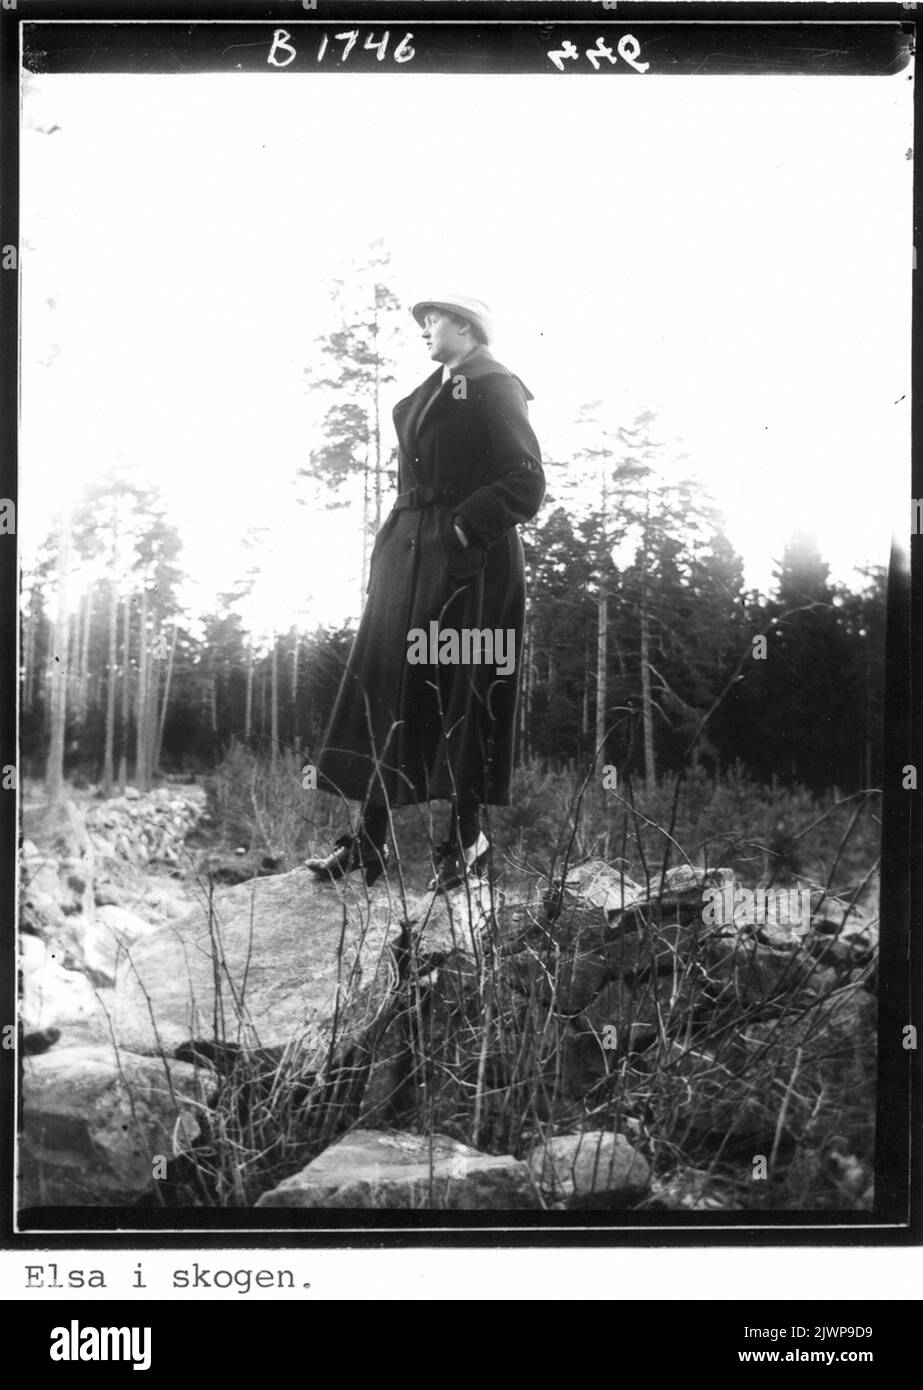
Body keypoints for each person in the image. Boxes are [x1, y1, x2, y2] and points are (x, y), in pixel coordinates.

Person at [305, 292, 545, 891]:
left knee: (460, 694)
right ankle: (368, 843)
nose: (423, 329)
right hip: (407, 556)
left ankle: (467, 843)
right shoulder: (428, 392)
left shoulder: (495, 385)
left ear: (465, 326)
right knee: (386, 688)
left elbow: (525, 479)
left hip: (472, 565)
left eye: (432, 320)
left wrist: (464, 524)